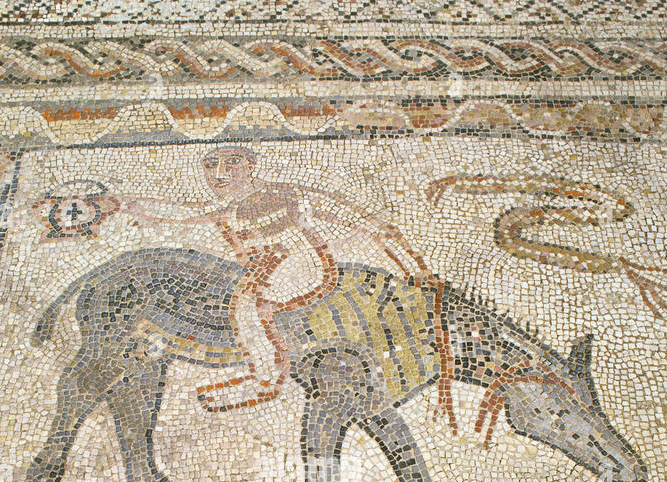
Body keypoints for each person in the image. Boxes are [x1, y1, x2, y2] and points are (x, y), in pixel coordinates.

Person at [120, 146, 456, 426]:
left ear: (251, 164)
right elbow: (180, 213)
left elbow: (363, 221)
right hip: (270, 266)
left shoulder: (285, 193)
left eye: (231, 162)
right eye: (210, 164)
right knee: (241, 290)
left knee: (248, 301)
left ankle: (264, 381)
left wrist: (415, 267)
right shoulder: (222, 207)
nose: (219, 173)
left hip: (303, 265)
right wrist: (125, 205)